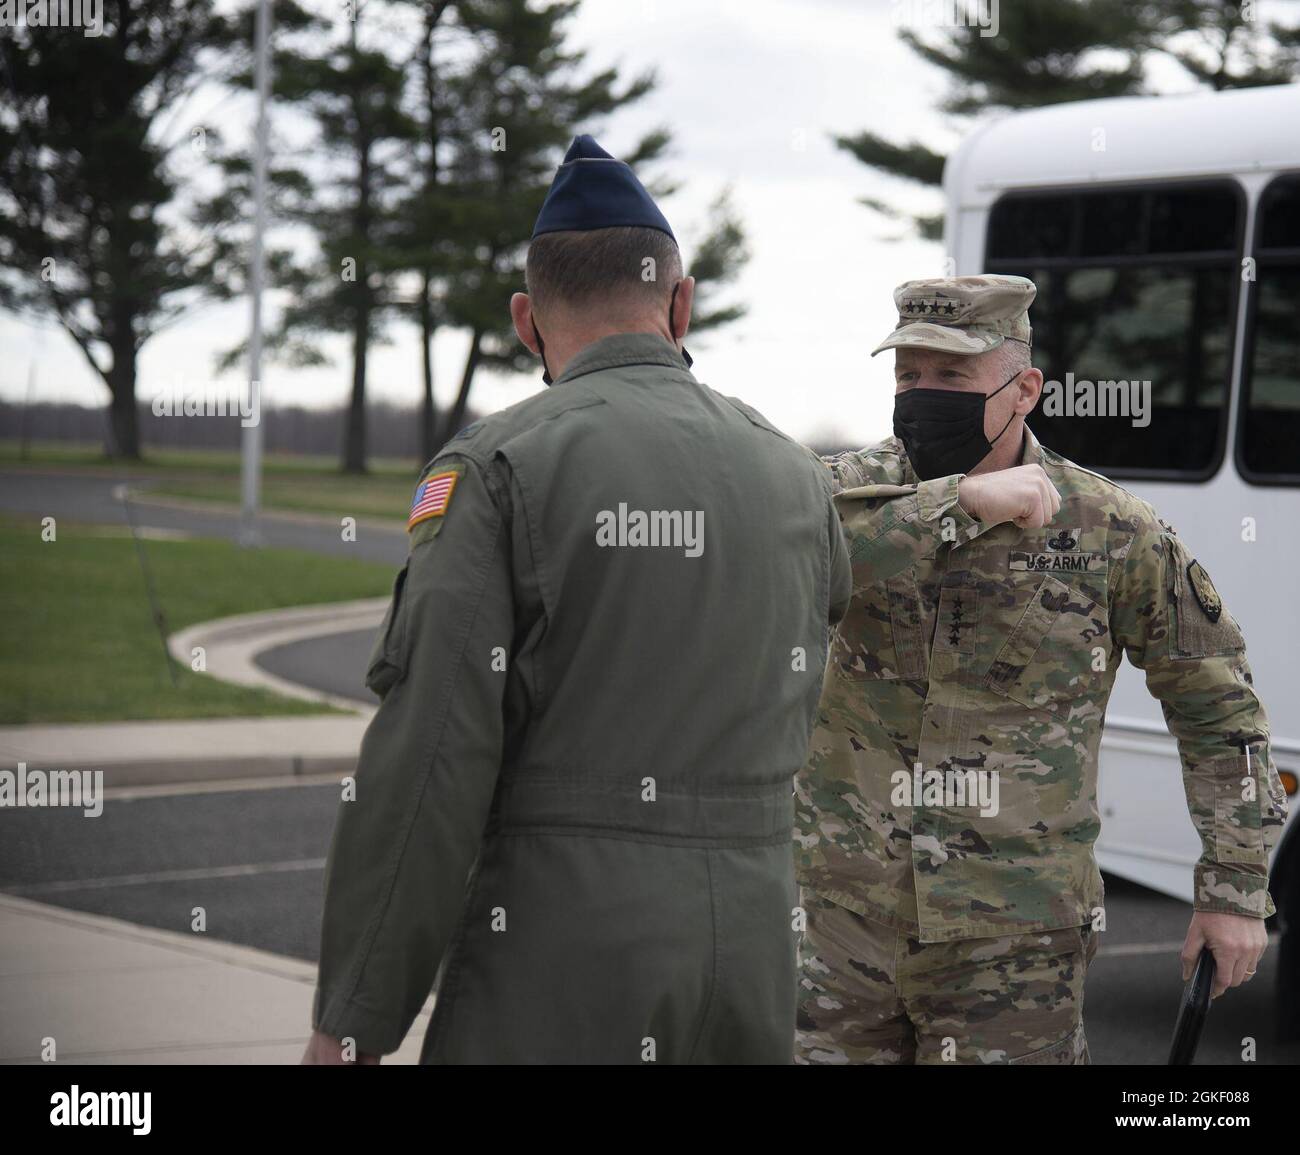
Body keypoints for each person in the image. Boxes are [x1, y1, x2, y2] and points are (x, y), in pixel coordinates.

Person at [302, 135, 852, 1064]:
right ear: (681, 304)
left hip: (565, 964)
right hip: (758, 961)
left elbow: (432, 757)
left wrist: (353, 1020)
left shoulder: (499, 466)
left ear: (526, 319)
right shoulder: (795, 473)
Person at [795, 274, 1289, 1064]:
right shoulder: (844, 494)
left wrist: (1233, 889)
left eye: (951, 377)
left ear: (1024, 388)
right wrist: (964, 502)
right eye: (907, 375)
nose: (922, 395)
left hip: (1017, 944)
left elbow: (1217, 703)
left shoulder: (1108, 529)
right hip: (843, 926)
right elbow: (787, 555)